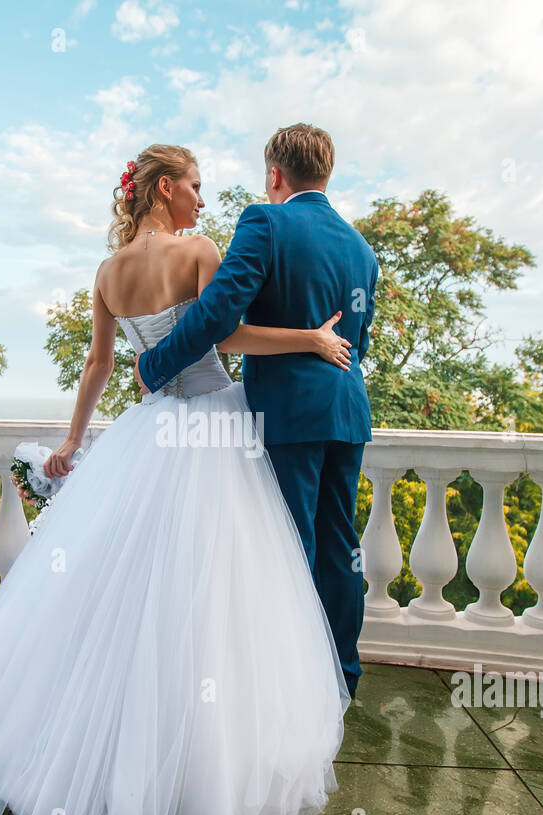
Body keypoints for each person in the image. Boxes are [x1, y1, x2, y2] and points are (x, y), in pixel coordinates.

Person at [0, 143, 354, 815]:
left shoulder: (106, 273)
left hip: (150, 432)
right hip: (217, 422)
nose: (201, 198)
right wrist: (309, 338)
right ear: (163, 189)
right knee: (213, 596)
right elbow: (226, 333)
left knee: (123, 593)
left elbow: (99, 365)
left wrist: (71, 441)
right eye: (194, 185)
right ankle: (200, 760)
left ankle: (101, 739)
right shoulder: (198, 251)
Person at [137, 123, 379, 699]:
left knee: (288, 549)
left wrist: (156, 365)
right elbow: (357, 342)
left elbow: (218, 314)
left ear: (274, 174)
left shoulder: (265, 221)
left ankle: (289, 690)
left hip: (285, 416)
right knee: (340, 546)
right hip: (346, 409)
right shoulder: (360, 248)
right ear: (326, 173)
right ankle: (341, 679)